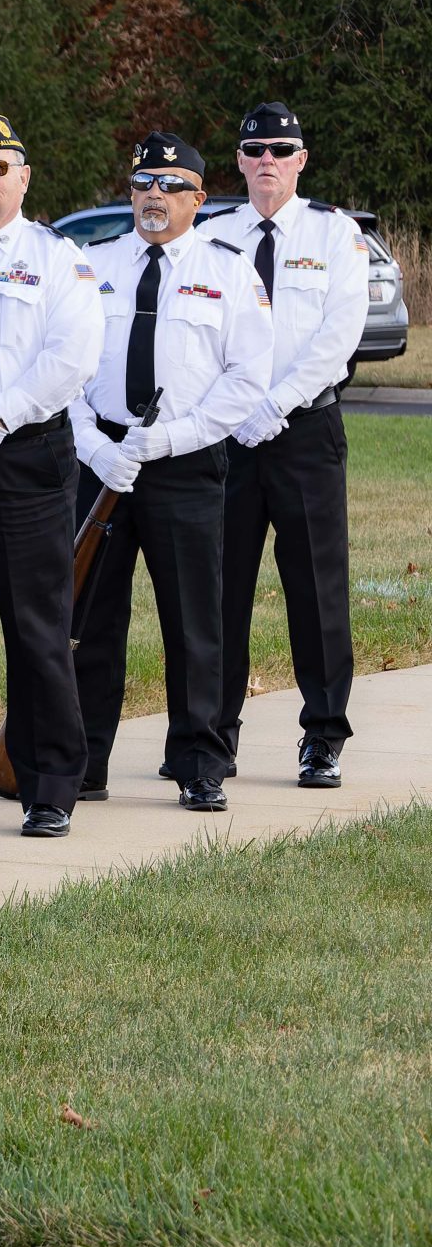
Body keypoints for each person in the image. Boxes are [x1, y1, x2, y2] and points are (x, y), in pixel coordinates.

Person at [69, 134, 272, 811]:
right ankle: (83, 761)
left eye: (171, 184)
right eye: (143, 182)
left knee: (194, 620)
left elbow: (246, 379)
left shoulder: (231, 270)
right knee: (88, 618)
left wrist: (168, 440)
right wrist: (94, 444)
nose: (154, 194)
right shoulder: (92, 265)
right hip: (100, 464)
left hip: (183, 463)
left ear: (198, 199)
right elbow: (64, 365)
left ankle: (199, 762)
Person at [0, 109, 104, 838]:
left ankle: (50, 783)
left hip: (25, 459)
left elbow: (72, 356)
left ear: (24, 178)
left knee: (36, 627)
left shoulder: (57, 257)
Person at [202, 104, 370, 789]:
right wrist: (237, 409)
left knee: (317, 591)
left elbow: (341, 334)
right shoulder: (212, 236)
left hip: (304, 433)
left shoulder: (335, 234)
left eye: (281, 148)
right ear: (239, 161)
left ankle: (324, 736)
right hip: (229, 437)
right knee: (219, 590)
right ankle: (212, 734)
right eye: (255, 148)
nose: (267, 158)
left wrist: (276, 402)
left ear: (301, 160)